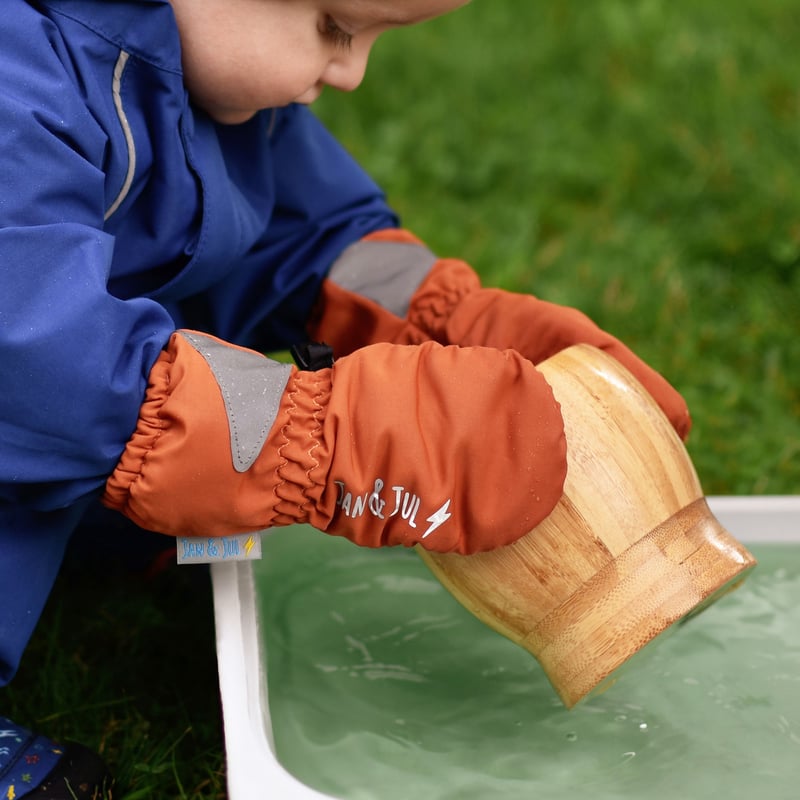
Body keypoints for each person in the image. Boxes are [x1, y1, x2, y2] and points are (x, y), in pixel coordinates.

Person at [0, 0, 691, 796]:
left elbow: (303, 236)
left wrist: (444, 321)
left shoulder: (202, 71)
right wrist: (319, 438)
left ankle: (108, 527)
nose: (351, 73)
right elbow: (42, 361)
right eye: (335, 25)